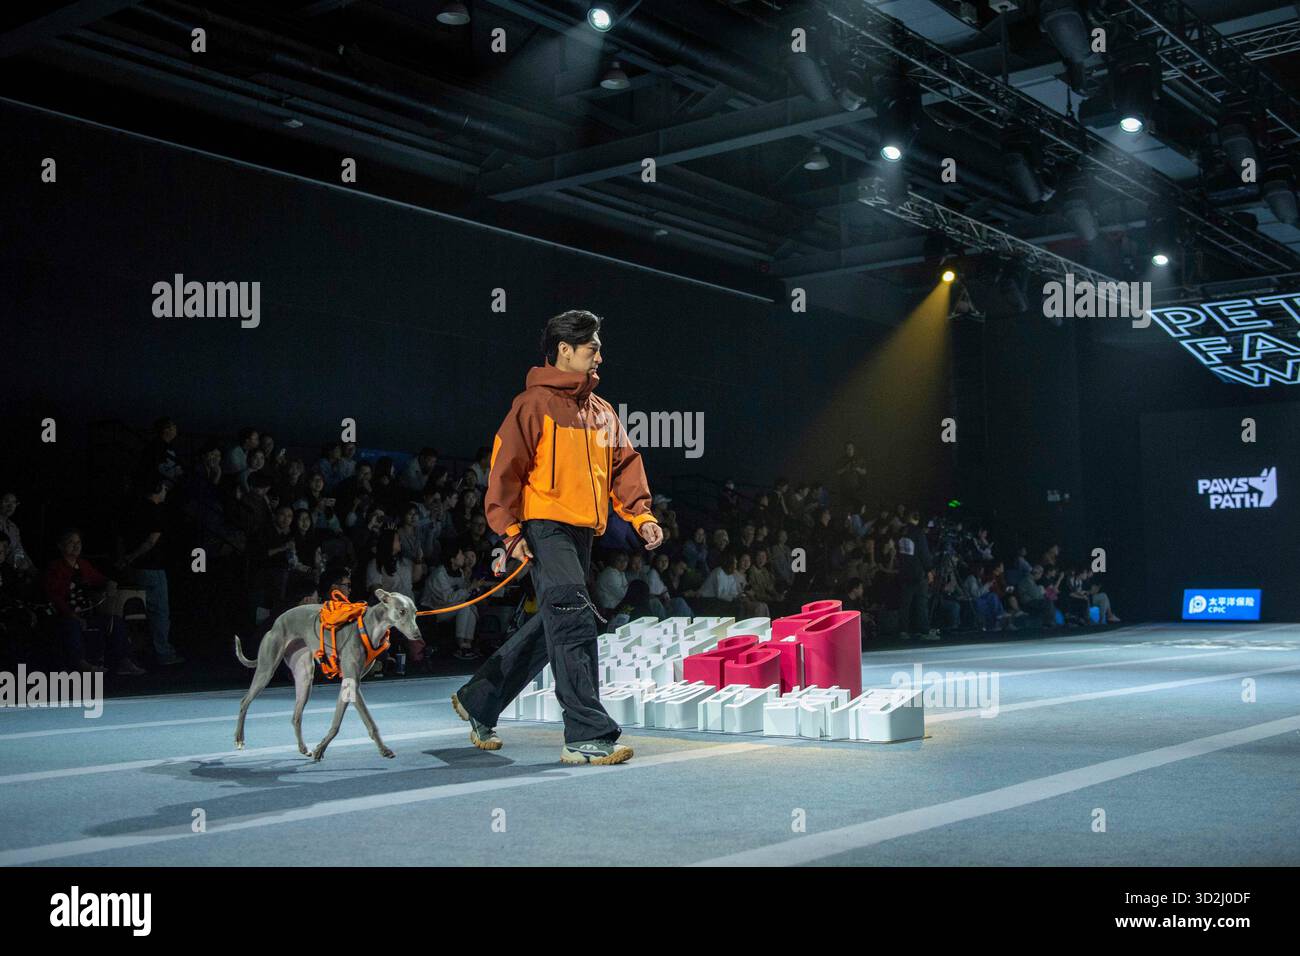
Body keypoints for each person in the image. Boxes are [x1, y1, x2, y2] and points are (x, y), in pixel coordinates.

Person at [453, 309, 661, 765]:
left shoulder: (601, 412)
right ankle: (586, 733)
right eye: (592, 349)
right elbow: (504, 469)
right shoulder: (532, 405)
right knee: (573, 620)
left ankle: (480, 698)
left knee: (557, 620)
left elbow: (625, 465)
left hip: (583, 530)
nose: (600, 356)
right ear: (565, 351)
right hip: (545, 527)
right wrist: (509, 532)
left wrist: (641, 515)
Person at [45, 530, 145, 675]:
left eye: (78, 542)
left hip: (86, 614)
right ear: (61, 546)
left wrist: (110, 583)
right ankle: (81, 664)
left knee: (115, 622)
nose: (76, 546)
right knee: (72, 626)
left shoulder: (83, 564)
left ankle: (123, 661)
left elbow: (100, 579)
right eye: (71, 543)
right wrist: (74, 616)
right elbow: (54, 597)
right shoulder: (55, 567)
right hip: (64, 615)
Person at [118, 477, 184, 665]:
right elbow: (151, 541)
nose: (166, 492)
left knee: (141, 611)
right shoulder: (154, 511)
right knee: (160, 612)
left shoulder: (133, 509)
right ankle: (162, 652)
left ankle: (147, 650)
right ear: (157, 489)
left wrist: (126, 559)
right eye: (164, 488)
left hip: (137, 568)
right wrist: (131, 557)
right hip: (152, 568)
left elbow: (122, 537)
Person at [898, 511, 939, 641]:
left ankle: (903, 630)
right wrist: (930, 569)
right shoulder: (918, 533)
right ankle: (923, 629)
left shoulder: (901, 531)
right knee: (921, 601)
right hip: (917, 572)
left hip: (904, 570)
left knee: (905, 603)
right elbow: (923, 553)